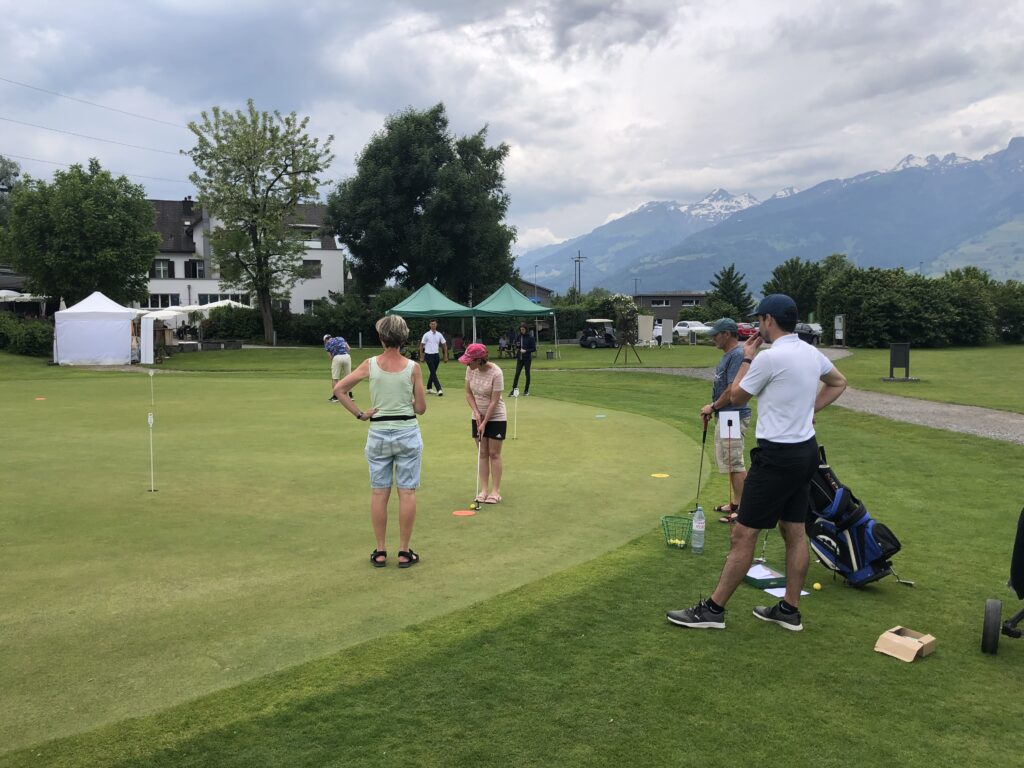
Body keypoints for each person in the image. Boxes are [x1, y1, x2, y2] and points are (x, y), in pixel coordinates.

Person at [667, 294, 847, 632]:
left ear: (769, 320)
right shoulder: (811, 352)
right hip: (805, 452)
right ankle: (789, 610)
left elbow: (736, 397)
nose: (757, 325)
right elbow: (838, 382)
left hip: (777, 456)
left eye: (759, 319)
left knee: (743, 534)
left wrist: (747, 358)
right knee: (794, 530)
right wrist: (809, 412)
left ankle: (713, 610)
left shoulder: (769, 358)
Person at [335, 315, 427, 568]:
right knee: (407, 492)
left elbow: (339, 389)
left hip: (378, 432)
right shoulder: (413, 367)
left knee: (379, 492)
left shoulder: (370, 364)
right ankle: (404, 551)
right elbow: (421, 408)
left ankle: (380, 550)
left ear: (381, 337)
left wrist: (360, 414)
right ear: (404, 337)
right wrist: (408, 402)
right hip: (407, 431)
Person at [699, 318, 752, 524]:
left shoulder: (737, 355)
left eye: (716, 334)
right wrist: (715, 408)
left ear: (727, 334)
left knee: (735, 462)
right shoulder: (728, 355)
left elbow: (731, 390)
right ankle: (736, 503)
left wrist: (713, 407)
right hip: (727, 414)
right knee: (730, 460)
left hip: (733, 415)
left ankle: (743, 509)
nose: (713, 338)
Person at [461, 343, 506, 504]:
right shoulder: (470, 370)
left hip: (496, 416)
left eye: (470, 360)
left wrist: (485, 421)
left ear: (479, 360)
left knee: (494, 454)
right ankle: (484, 490)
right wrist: (476, 413)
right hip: (478, 416)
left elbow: (494, 401)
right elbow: (468, 393)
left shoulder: (496, 373)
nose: (467, 363)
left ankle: (495, 491)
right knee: (482, 453)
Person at [419, 319, 448, 396]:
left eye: (434, 324)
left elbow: (444, 345)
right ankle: (439, 389)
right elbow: (421, 346)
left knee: (433, 372)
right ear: (430, 325)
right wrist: (421, 356)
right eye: (432, 324)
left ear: (436, 325)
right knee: (433, 373)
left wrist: (445, 356)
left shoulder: (439, 334)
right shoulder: (426, 335)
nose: (433, 325)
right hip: (428, 355)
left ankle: (429, 388)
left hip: (436, 355)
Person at [509, 323, 536, 397]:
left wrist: (526, 351)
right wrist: (517, 346)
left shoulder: (530, 337)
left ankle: (526, 390)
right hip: (520, 358)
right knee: (517, 373)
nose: (522, 331)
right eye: (521, 329)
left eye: (523, 329)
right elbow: (516, 345)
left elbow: (533, 349)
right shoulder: (519, 336)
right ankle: (513, 390)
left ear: (526, 329)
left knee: (527, 374)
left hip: (527, 358)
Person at [324, 333, 352, 402]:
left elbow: (330, 357)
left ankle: (335, 397)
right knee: (348, 377)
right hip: (347, 356)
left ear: (325, 340)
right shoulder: (340, 338)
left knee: (335, 378)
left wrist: (336, 360)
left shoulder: (327, 344)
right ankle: (350, 395)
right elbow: (349, 348)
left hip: (337, 357)